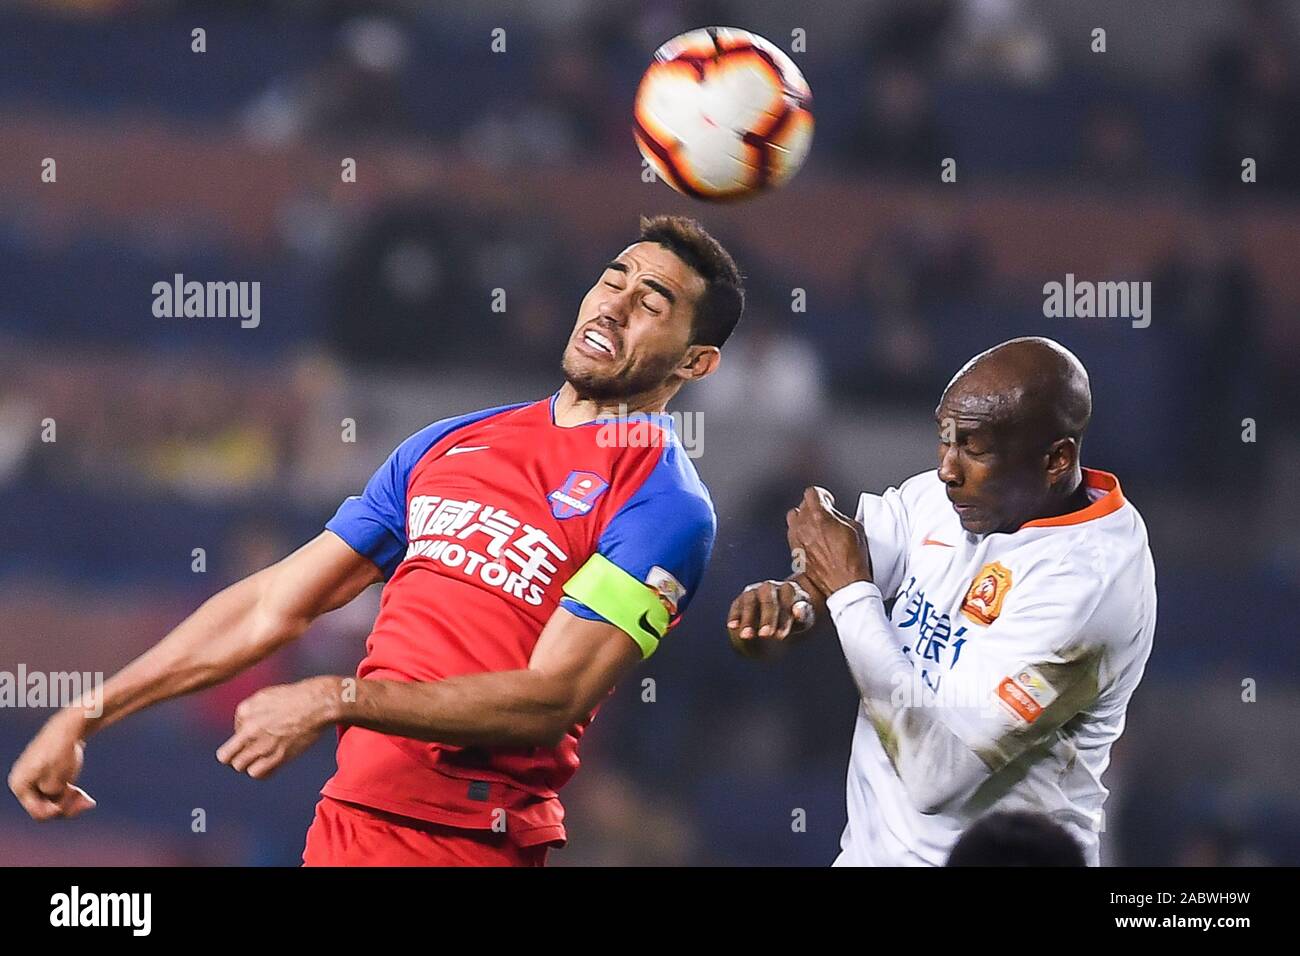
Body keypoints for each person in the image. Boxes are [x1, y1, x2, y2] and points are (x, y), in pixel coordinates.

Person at [10, 214, 743, 867]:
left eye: (652, 303)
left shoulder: (664, 503)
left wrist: (341, 697)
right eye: (612, 280)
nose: (614, 304)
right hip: (348, 822)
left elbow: (549, 698)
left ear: (694, 361)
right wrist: (89, 712)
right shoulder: (451, 443)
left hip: (466, 840)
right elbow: (273, 603)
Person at [728, 336, 1156, 866]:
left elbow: (937, 775)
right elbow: (854, 559)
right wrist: (791, 605)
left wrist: (848, 593)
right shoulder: (951, 495)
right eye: (945, 439)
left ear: (1056, 459)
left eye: (975, 447)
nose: (948, 468)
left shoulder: (1088, 587)